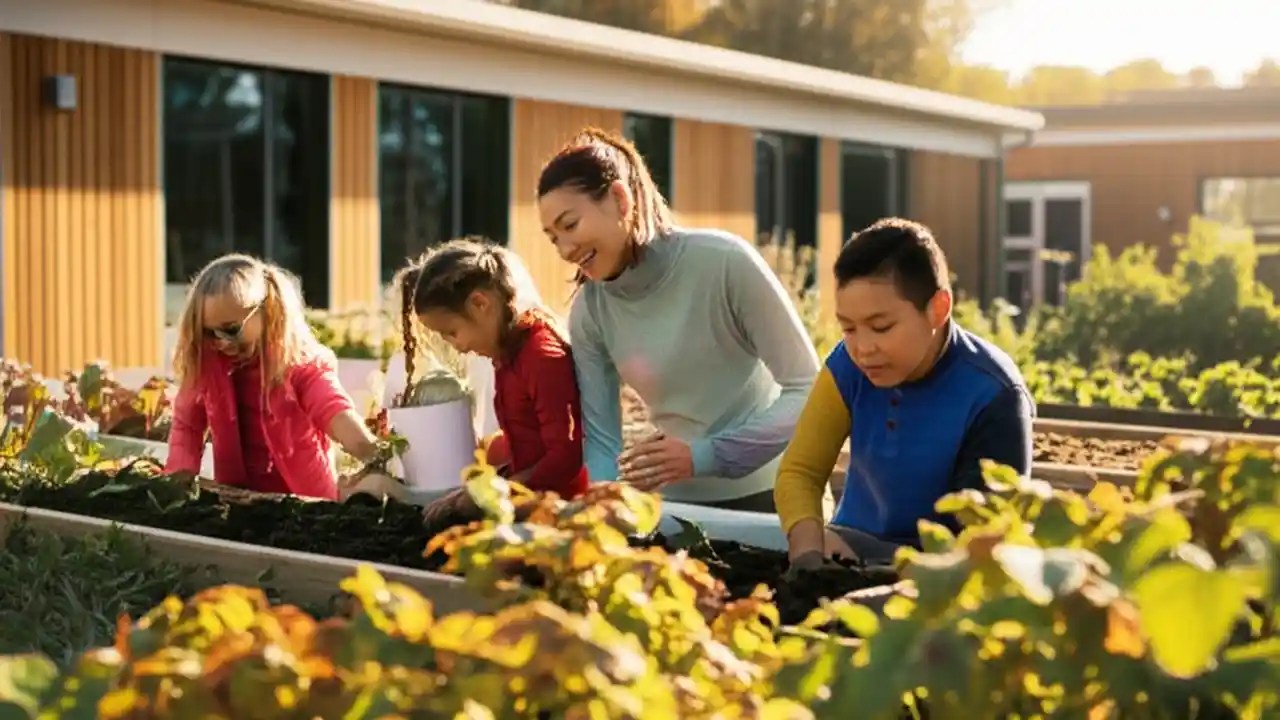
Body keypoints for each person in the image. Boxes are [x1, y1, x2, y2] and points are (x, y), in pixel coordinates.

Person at [536, 127, 820, 512]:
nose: (566, 250)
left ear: (620, 199)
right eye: (553, 239)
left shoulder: (723, 262)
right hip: (674, 507)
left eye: (570, 225)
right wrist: (599, 512)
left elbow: (807, 390)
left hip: (778, 496)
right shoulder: (591, 310)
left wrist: (705, 456)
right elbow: (602, 440)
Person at [773, 218, 1035, 573]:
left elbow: (984, 535)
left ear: (938, 309)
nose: (863, 348)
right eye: (848, 328)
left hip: (941, 572)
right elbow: (801, 471)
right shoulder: (845, 367)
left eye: (881, 327)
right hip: (850, 545)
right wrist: (807, 561)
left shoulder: (994, 393)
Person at [394, 239, 589, 524]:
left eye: (452, 332)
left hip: (562, 514)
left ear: (479, 303)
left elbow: (566, 456)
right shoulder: (507, 355)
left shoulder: (540, 356)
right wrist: (477, 489)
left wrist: (494, 493)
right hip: (530, 504)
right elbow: (529, 454)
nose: (457, 347)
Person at [166, 254, 384, 499]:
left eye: (231, 329)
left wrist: (373, 456)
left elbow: (334, 411)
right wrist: (178, 485)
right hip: (237, 500)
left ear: (268, 311)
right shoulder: (208, 366)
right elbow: (187, 427)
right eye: (209, 333)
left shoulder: (298, 365)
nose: (220, 341)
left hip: (303, 505)